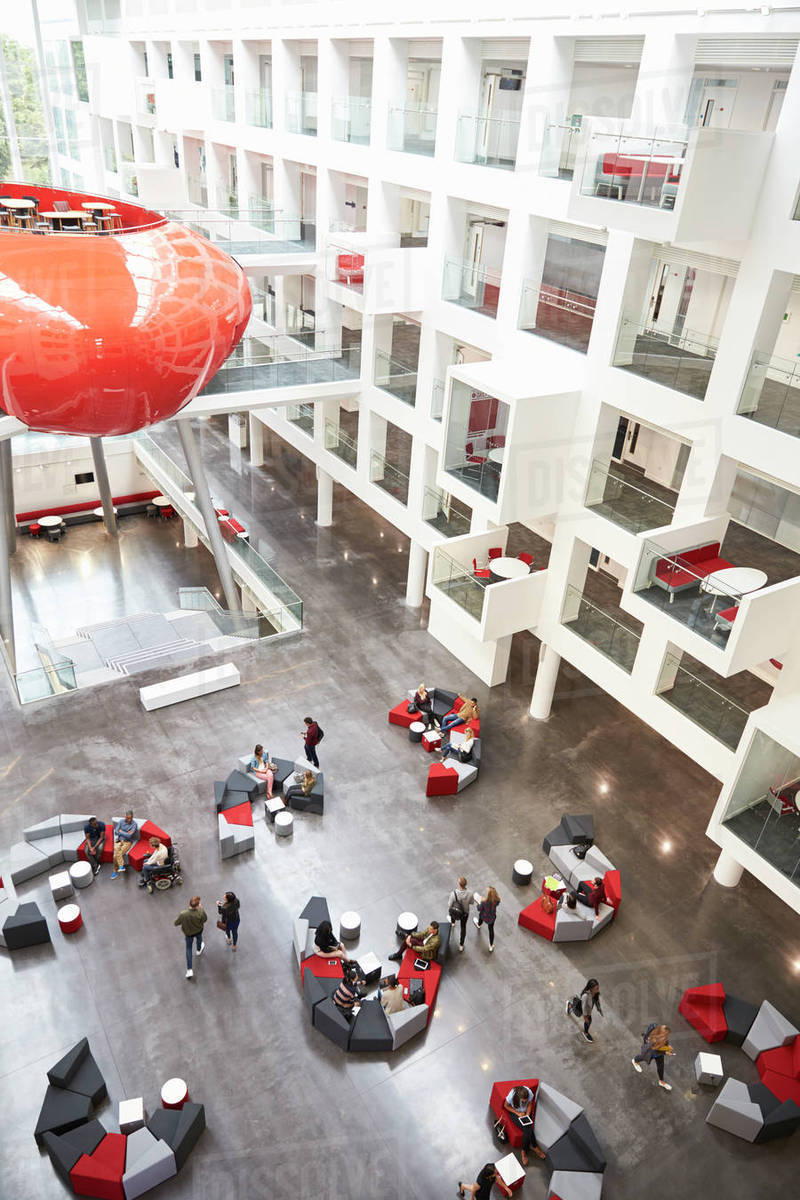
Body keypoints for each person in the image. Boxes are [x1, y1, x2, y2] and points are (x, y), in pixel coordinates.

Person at [502, 1085, 546, 1167]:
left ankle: (526, 1151)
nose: (524, 1102)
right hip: (515, 1113)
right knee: (527, 1129)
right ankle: (532, 1148)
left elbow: (529, 1104)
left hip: (525, 1113)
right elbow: (506, 1106)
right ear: (518, 1098)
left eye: (525, 1101)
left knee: (527, 1127)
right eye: (522, 1101)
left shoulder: (528, 1092)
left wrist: (527, 1115)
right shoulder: (512, 1095)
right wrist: (518, 1113)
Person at [632, 1023, 676, 1091]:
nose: (667, 1036)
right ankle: (635, 1061)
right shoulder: (653, 1040)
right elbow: (655, 1050)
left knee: (661, 1067)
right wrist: (666, 1051)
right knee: (642, 1057)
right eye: (666, 1034)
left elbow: (661, 1048)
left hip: (659, 1053)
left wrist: (666, 1050)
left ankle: (661, 1081)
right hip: (652, 1053)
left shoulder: (662, 1038)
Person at [174, 895, 207, 979]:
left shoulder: (183, 914)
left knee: (188, 948)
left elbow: (176, 923)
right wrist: (201, 909)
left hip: (188, 934)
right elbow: (205, 920)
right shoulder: (201, 911)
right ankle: (199, 950)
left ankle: (189, 970)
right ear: (197, 905)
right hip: (198, 930)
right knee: (199, 939)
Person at [565, 978, 603, 1043]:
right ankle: (569, 1005)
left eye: (598, 987)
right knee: (576, 1013)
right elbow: (584, 1007)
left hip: (588, 1009)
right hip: (580, 1008)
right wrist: (585, 1016)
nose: (598, 989)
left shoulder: (596, 993)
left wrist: (599, 1008)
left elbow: (596, 1001)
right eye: (596, 988)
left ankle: (586, 1033)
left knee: (589, 1021)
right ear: (591, 988)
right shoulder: (585, 996)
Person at [448, 876, 474, 952]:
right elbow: (472, 902)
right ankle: (461, 945)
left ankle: (453, 922)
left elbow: (450, 905)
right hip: (465, 913)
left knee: (453, 911)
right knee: (463, 927)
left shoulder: (453, 893)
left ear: (459, 884)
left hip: (456, 911)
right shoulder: (470, 893)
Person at [110, 811, 138, 879]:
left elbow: (129, 836)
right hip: (118, 840)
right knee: (115, 854)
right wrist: (125, 833)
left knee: (115, 856)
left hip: (127, 842)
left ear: (132, 817)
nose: (129, 820)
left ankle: (115, 871)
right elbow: (116, 832)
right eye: (128, 818)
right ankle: (121, 866)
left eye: (130, 818)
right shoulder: (121, 821)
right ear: (125, 816)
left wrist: (121, 831)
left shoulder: (134, 824)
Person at [473, 886, 500, 952]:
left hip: (484, 916)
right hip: (492, 918)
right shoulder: (497, 900)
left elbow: (479, 909)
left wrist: (480, 901)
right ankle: (491, 945)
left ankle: (478, 925)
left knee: (480, 919)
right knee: (491, 930)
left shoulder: (484, 902)